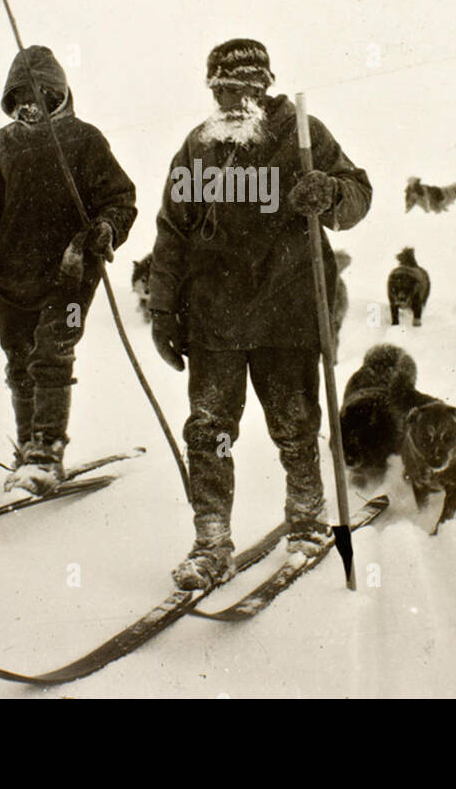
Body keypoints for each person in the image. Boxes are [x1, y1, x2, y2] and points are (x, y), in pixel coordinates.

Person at [148, 39, 372, 589]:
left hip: (287, 312)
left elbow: (359, 192)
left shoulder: (302, 135)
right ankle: (211, 543)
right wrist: (161, 307)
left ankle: (305, 521)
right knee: (209, 431)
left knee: (294, 426)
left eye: (243, 87)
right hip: (214, 319)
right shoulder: (197, 147)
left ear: (265, 85)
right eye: (222, 88)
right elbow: (172, 230)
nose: (232, 98)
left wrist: (332, 191)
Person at [0, 46, 137, 495]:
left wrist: (106, 228)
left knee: (51, 351)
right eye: (20, 94)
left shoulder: (85, 139)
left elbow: (120, 198)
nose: (31, 103)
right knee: (19, 360)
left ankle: (46, 453)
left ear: (59, 93)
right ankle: (27, 446)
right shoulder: (2, 144)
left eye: (41, 93)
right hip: (9, 276)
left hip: (70, 270)